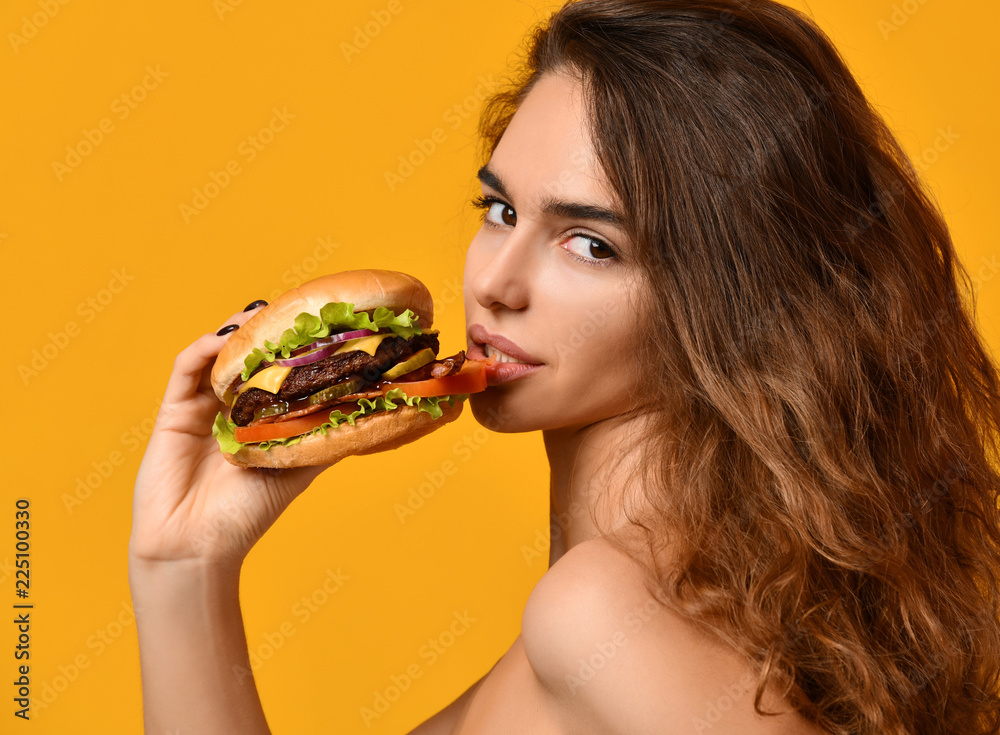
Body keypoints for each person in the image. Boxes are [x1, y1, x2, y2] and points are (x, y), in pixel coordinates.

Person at [128, 1, 1000, 733]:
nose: (495, 283)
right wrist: (183, 565)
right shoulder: (641, 602)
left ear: (737, 299)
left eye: (591, 244)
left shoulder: (597, 611)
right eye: (501, 210)